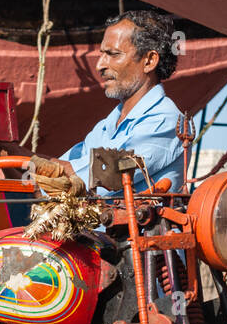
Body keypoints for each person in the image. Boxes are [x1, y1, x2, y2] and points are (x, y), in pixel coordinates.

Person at [59, 10, 185, 195]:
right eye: (102, 54)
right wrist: (12, 152)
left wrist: (32, 169)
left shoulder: (165, 121)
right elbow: (67, 163)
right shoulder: (106, 126)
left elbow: (101, 180)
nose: (100, 65)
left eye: (113, 54)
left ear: (149, 61)